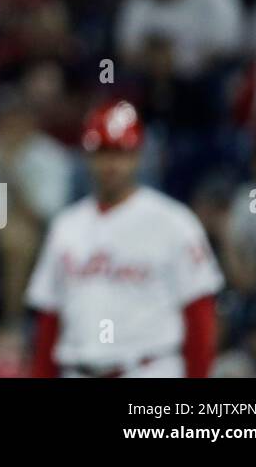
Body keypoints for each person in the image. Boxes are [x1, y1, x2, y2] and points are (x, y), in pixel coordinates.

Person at [26, 99, 223, 377]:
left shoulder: (174, 222)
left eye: (120, 153)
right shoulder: (65, 226)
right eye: (102, 152)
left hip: (149, 368)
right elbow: (49, 320)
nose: (111, 164)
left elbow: (200, 315)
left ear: (137, 156)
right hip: (77, 369)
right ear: (88, 156)